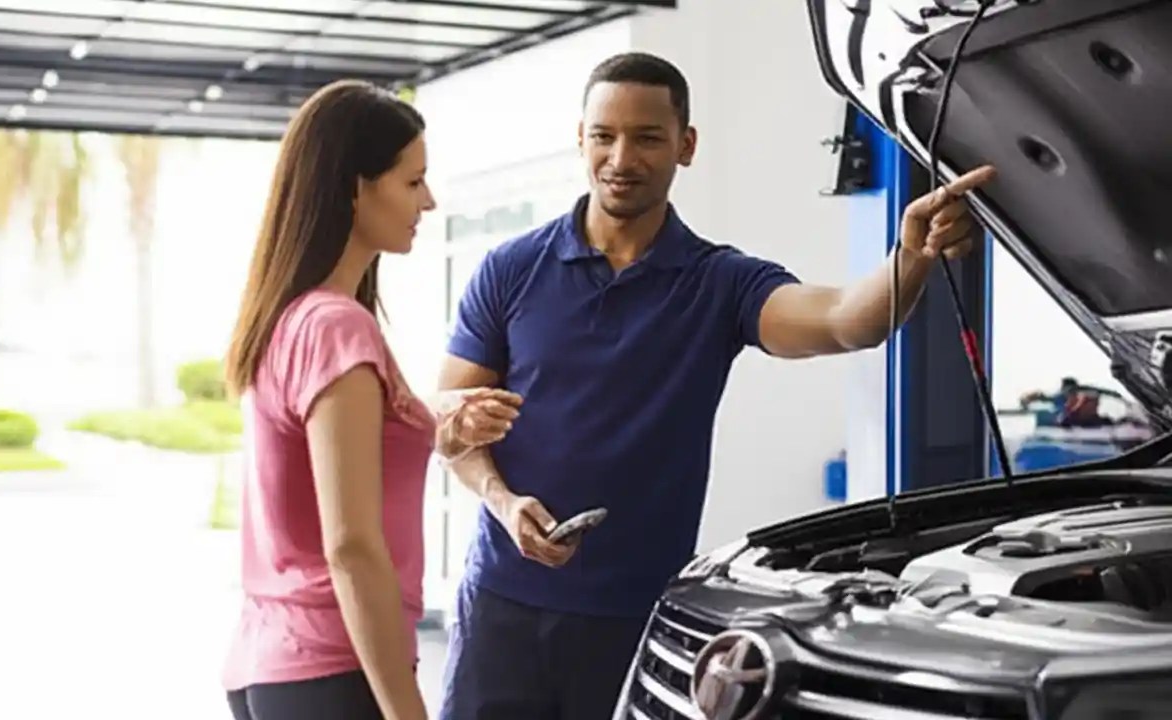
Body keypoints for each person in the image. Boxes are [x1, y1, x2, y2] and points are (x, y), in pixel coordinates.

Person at [435, 52, 997, 718]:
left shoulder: (720, 283)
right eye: (603, 136)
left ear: (686, 145)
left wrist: (913, 254)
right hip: (501, 608)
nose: (622, 157)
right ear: (579, 139)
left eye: (647, 137)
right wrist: (500, 499)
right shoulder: (510, 270)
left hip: (638, 618)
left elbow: (849, 322)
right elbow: (449, 426)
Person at [218, 80, 517, 720]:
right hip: (331, 666)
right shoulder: (336, 327)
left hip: (272, 662)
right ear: (356, 187)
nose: (429, 200)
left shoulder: (287, 319)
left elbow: (333, 464)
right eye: (412, 182)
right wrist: (406, 711)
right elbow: (352, 544)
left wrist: (443, 426)